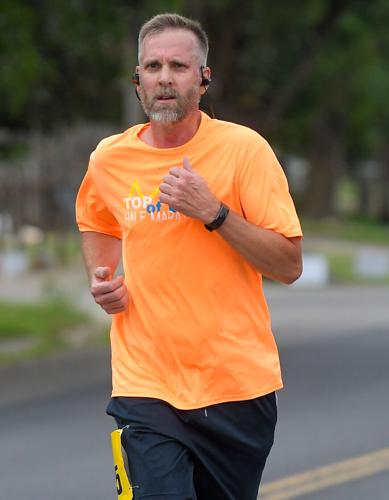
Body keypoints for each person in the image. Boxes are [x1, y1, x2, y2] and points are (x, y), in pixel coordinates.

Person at [75, 13, 303, 499]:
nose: (164, 78)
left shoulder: (244, 151)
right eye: (152, 66)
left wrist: (214, 212)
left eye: (179, 66)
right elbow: (97, 221)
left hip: (236, 386)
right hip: (145, 384)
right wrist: (103, 280)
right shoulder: (109, 159)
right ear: (137, 81)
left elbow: (288, 264)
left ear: (203, 80)